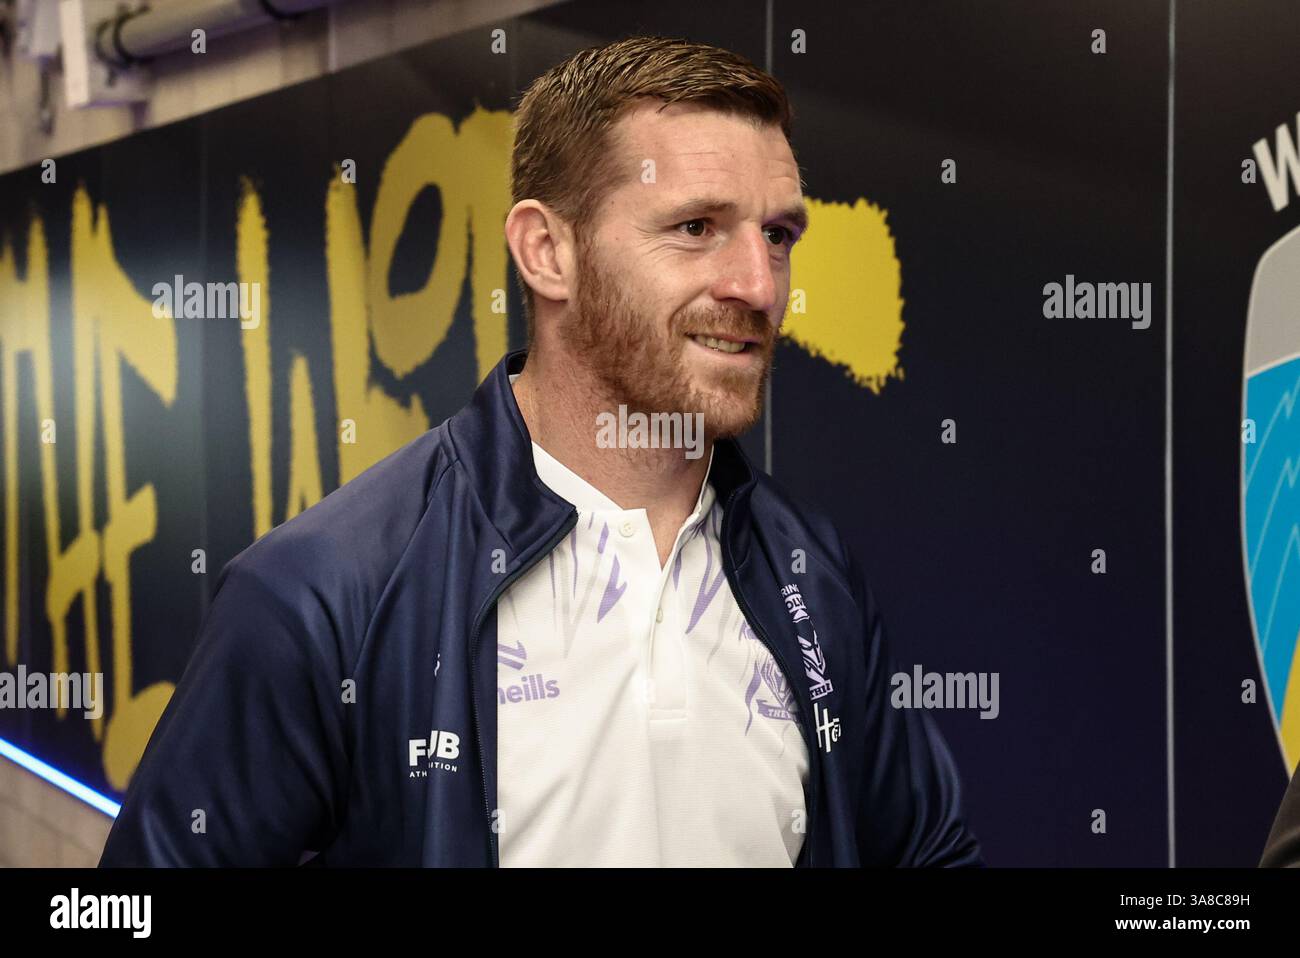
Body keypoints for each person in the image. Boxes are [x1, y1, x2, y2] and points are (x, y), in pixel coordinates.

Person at [99, 35, 983, 867]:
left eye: (778, 236)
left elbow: (931, 853)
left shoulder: (813, 573)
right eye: (695, 228)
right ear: (546, 251)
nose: (757, 285)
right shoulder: (323, 594)